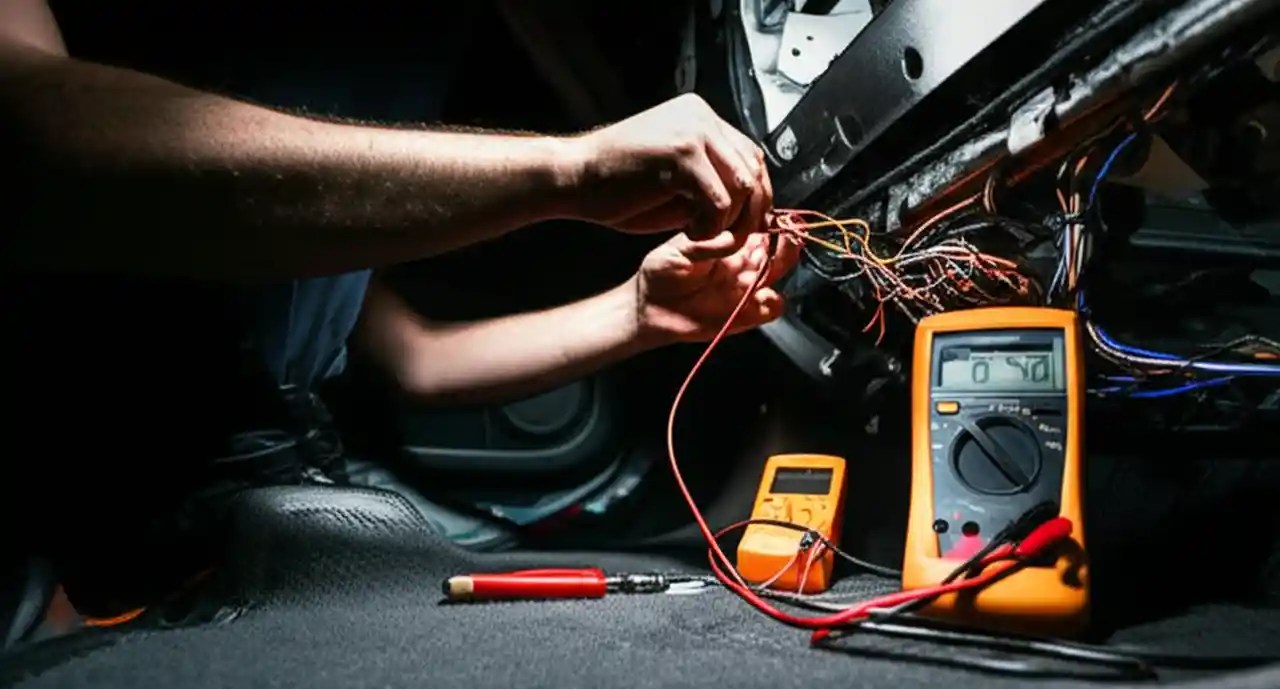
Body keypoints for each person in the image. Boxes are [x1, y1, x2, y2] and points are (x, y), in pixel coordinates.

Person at [0, 0, 800, 618]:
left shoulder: (304, 243)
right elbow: (28, 133)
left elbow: (417, 360)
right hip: (127, 499)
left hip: (298, 479)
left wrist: (639, 312)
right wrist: (572, 172)